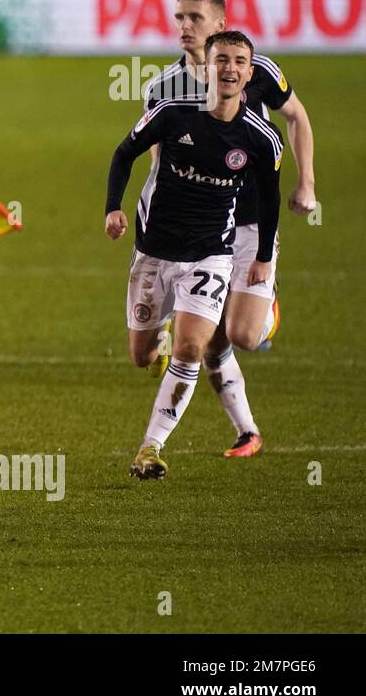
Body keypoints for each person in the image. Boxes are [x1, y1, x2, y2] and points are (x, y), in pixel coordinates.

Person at [139, 0, 318, 457]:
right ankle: (247, 432)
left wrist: (307, 184)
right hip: (201, 229)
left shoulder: (256, 71)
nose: (184, 26)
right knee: (206, 337)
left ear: (220, 26)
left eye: (195, 17)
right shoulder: (162, 89)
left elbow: (297, 117)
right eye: (179, 17)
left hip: (254, 220)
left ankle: (266, 311)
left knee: (240, 334)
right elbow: (160, 165)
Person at [106, 31, 282, 480]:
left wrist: (262, 256)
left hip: (211, 256)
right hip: (155, 252)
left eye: (240, 61)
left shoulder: (261, 137)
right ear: (206, 66)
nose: (230, 68)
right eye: (222, 59)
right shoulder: (170, 114)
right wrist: (114, 208)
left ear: (249, 71)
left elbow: (269, 199)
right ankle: (157, 343)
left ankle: (151, 447)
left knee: (191, 347)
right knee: (141, 355)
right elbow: (124, 154)